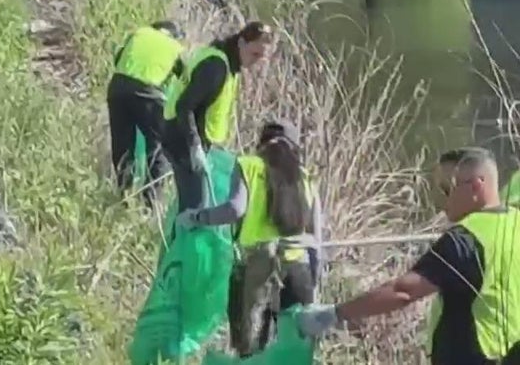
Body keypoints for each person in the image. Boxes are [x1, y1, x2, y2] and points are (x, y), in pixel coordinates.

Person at [299, 147, 520, 365]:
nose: (441, 202)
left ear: (476, 186)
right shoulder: (515, 223)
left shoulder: (466, 238)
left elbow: (403, 292)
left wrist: (334, 314)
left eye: (446, 189)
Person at [177, 121, 321, 356]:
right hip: (297, 269)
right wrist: (314, 279)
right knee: (296, 348)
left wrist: (197, 217)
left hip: (255, 267)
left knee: (250, 348)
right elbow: (317, 239)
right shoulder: (306, 177)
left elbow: (235, 209)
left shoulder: (248, 165)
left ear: (262, 143)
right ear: (295, 149)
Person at [162, 20, 274, 210]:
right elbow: (184, 106)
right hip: (182, 141)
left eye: (261, 57)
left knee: (193, 205)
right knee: (195, 209)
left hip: (188, 140)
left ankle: (179, 236)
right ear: (241, 43)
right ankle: (183, 238)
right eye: (255, 54)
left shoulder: (228, 65)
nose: (257, 61)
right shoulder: (216, 67)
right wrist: (195, 146)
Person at [107, 20, 185, 201]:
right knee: (159, 149)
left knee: (123, 148)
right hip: (149, 95)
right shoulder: (175, 47)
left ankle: (123, 197)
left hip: (118, 89)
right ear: (174, 35)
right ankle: (150, 203)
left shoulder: (139, 33)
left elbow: (119, 58)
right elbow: (186, 77)